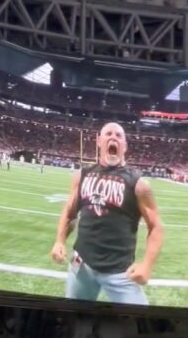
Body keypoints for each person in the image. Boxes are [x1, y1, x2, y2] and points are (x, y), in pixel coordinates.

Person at [50, 123, 164, 305]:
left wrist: (147, 266)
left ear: (124, 146)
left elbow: (156, 227)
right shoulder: (82, 176)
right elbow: (70, 212)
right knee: (75, 321)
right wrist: (60, 240)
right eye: (108, 134)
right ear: (99, 141)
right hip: (82, 267)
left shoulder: (138, 184)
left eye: (119, 136)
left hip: (120, 273)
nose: (113, 137)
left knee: (139, 326)